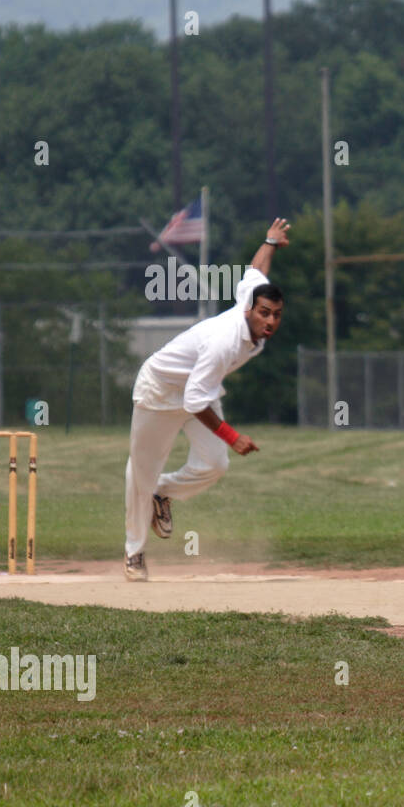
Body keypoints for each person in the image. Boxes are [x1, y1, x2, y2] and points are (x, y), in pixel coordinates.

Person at [122, 218, 291, 581]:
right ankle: (134, 554)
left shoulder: (254, 301)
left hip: (200, 389)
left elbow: (256, 269)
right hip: (161, 391)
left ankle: (161, 493)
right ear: (249, 309)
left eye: (276, 315)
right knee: (141, 471)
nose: (271, 322)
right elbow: (195, 402)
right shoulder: (224, 341)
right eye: (264, 314)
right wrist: (234, 437)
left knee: (215, 465)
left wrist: (270, 241)